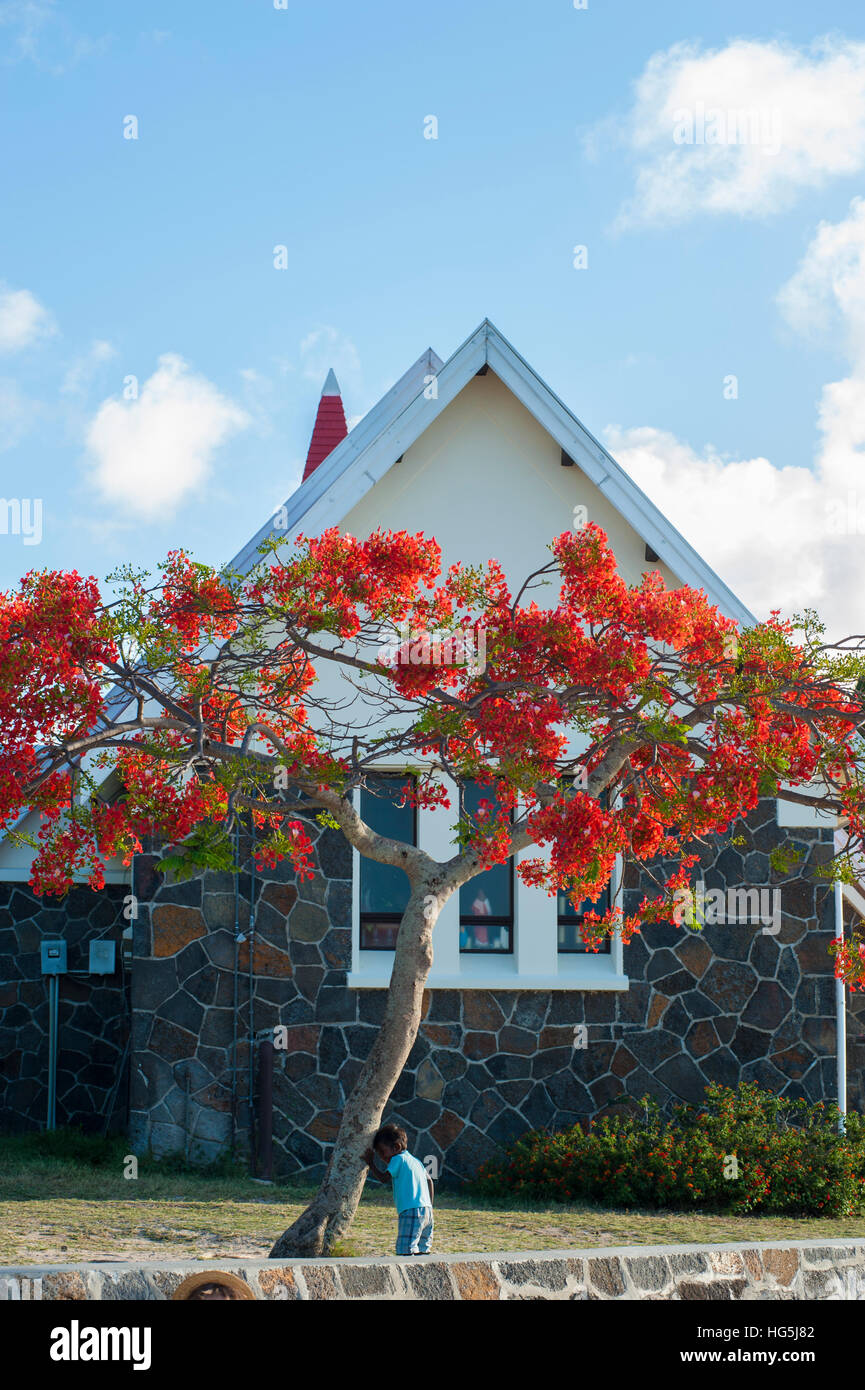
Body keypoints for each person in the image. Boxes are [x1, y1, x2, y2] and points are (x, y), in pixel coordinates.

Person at [362, 1123, 434, 1255]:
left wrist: (370, 1163)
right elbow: (429, 1181)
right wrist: (429, 1204)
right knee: (422, 1250)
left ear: (396, 1147)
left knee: (405, 1251)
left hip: (411, 1210)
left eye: (382, 1152)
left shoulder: (397, 1159)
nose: (382, 1157)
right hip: (427, 1211)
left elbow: (384, 1178)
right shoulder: (416, 1161)